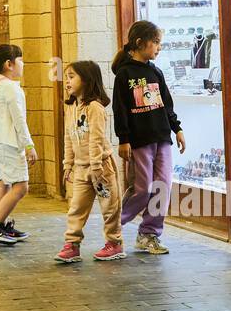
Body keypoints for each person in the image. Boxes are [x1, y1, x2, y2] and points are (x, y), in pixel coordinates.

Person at [113, 20, 186, 254]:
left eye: (159, 43)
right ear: (139, 43)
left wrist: (178, 129)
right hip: (139, 141)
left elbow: (167, 104)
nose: (158, 47)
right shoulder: (124, 75)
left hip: (162, 138)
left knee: (162, 187)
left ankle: (149, 234)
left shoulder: (156, 72)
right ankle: (114, 224)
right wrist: (123, 139)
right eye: (155, 42)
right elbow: (120, 109)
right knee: (142, 189)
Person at [56, 61, 125, 263]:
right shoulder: (71, 108)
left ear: (86, 80)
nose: (67, 81)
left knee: (109, 206)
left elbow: (96, 138)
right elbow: (68, 138)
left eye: (71, 77)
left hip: (101, 168)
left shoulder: (95, 108)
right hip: (80, 168)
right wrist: (67, 164)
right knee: (76, 207)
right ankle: (72, 244)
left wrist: (96, 167)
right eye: (66, 77)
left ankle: (114, 243)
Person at [0, 44, 37, 245]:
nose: (23, 64)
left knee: (3, 184)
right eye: (20, 60)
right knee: (21, 187)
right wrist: (29, 146)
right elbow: (19, 119)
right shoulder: (10, 87)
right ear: (8, 64)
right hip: (8, 143)